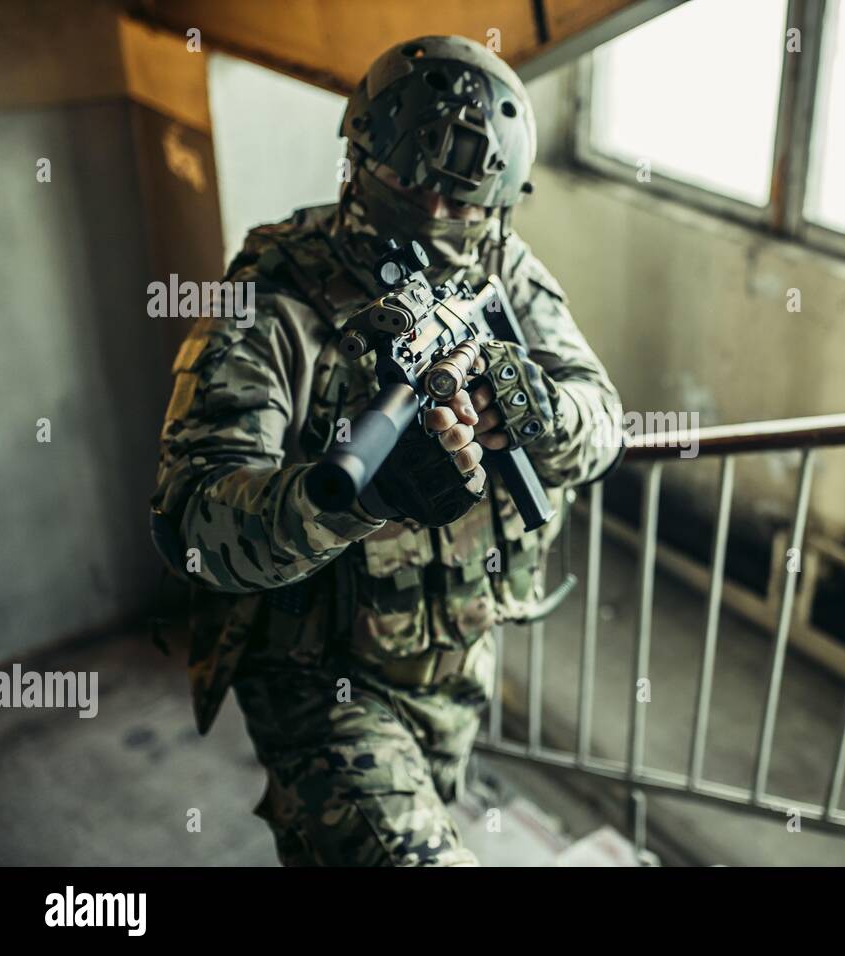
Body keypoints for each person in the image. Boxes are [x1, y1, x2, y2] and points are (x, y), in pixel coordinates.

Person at [150, 35, 621, 866]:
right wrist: (354, 501)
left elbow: (604, 421)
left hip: (457, 667)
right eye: (409, 183)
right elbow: (194, 523)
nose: (436, 215)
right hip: (321, 683)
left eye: (462, 202)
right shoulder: (273, 295)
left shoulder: (501, 267)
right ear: (359, 160)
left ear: (497, 204)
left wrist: (544, 416)